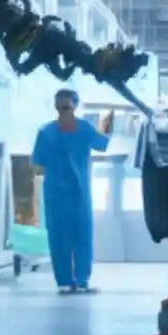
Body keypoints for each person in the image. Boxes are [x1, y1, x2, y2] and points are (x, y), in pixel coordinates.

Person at [31, 89, 112, 294]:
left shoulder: (49, 131)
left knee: (72, 236)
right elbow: (103, 143)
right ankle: (74, 280)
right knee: (66, 237)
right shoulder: (77, 129)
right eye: (63, 107)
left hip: (68, 192)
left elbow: (38, 161)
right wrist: (108, 123)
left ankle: (73, 281)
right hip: (69, 192)